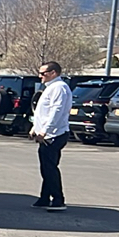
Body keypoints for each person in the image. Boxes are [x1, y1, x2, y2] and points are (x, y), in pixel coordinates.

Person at [29, 61, 71, 211]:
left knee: (50, 167)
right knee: (46, 167)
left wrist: (45, 131)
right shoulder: (49, 88)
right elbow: (42, 112)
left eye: (43, 73)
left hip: (54, 135)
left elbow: (56, 111)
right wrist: (35, 127)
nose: (40, 76)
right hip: (47, 134)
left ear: (53, 73)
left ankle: (58, 200)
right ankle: (45, 197)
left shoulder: (59, 88)